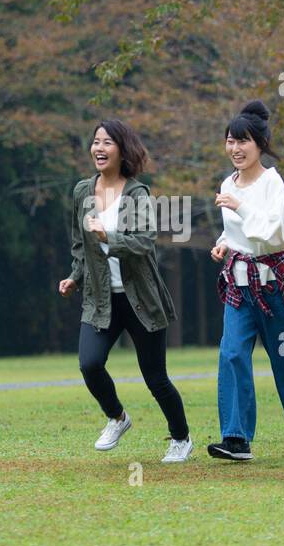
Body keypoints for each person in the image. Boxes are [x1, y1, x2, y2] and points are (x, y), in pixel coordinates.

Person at [58, 120, 193, 463]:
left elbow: (145, 241)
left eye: (107, 142)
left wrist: (109, 237)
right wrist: (74, 277)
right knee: (89, 364)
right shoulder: (82, 192)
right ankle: (117, 418)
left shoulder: (136, 194)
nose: (99, 148)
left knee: (156, 379)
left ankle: (181, 438)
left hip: (140, 299)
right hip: (101, 299)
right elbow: (80, 245)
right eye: (96, 142)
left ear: (122, 150)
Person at [209, 101, 284, 462]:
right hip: (239, 287)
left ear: (260, 144)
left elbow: (278, 235)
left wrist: (240, 207)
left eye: (243, 141)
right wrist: (223, 243)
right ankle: (236, 439)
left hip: (274, 286)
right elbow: (237, 232)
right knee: (232, 353)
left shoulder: (271, 182)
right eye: (231, 141)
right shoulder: (227, 183)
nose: (235, 148)